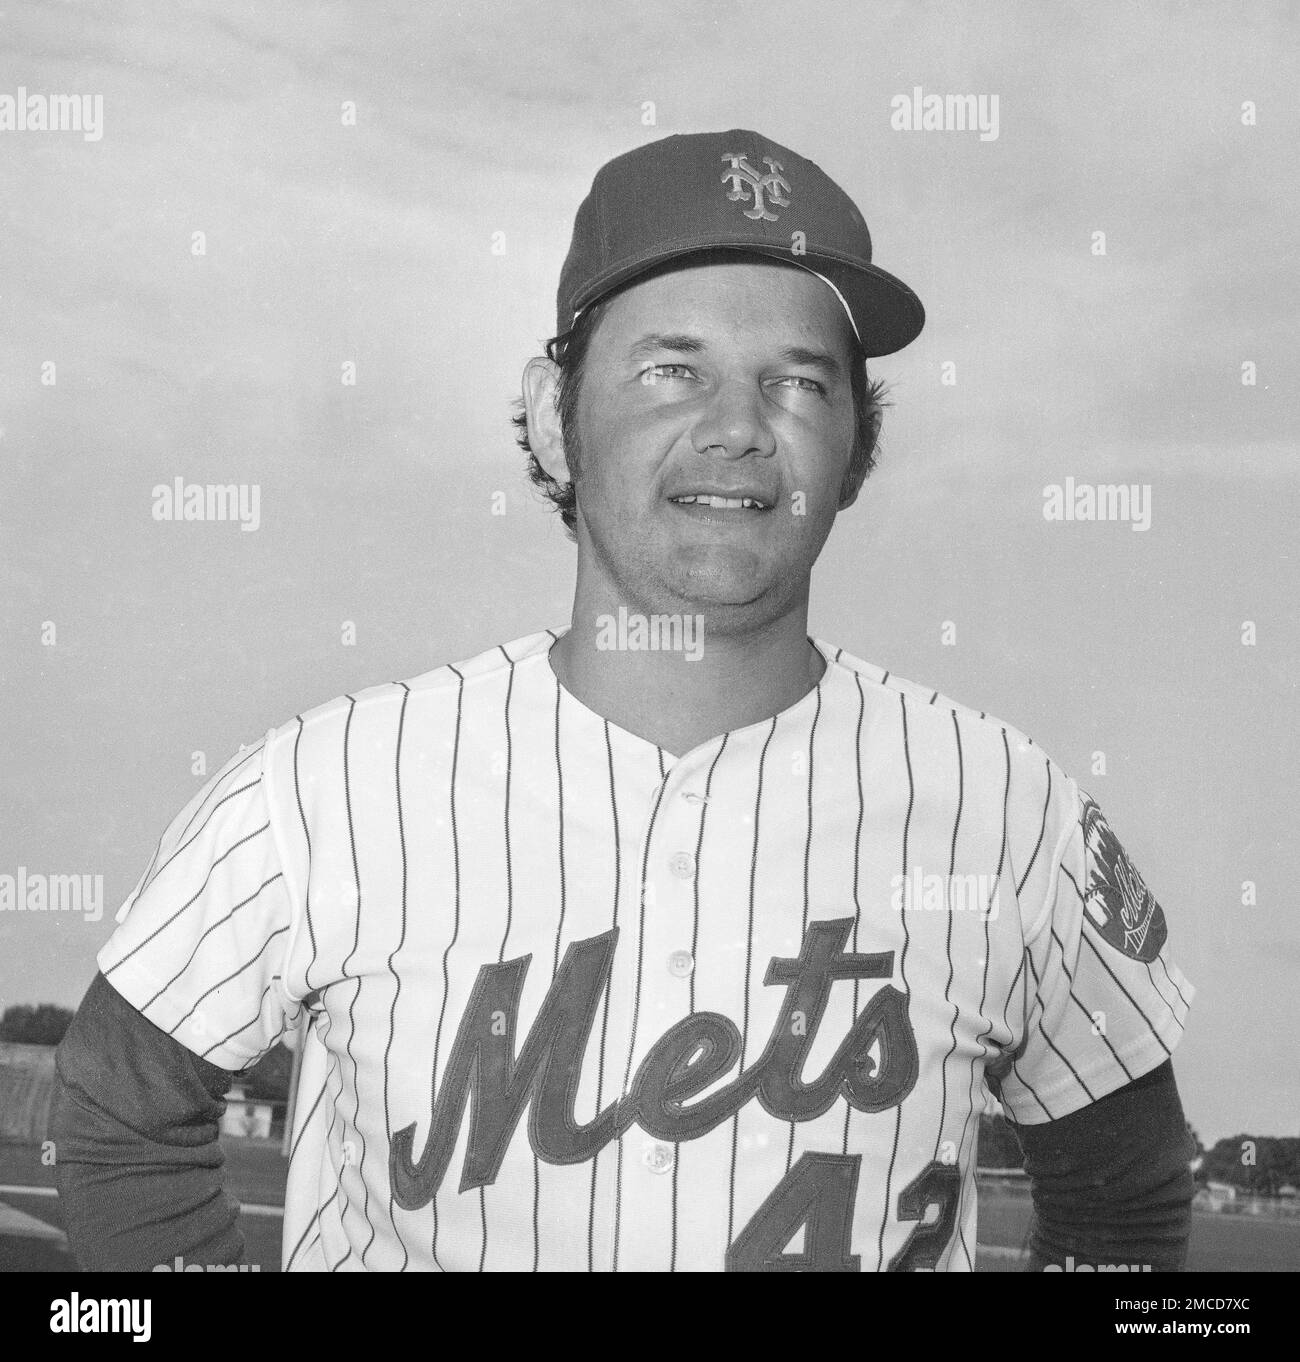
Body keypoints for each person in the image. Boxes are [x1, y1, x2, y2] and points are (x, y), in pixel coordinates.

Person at [52, 129, 1194, 1272]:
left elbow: (1125, 1194)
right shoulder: (323, 786)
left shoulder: (1006, 808)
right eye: (672, 369)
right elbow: (117, 1111)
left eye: (798, 381)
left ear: (856, 446)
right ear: (554, 417)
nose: (739, 428)